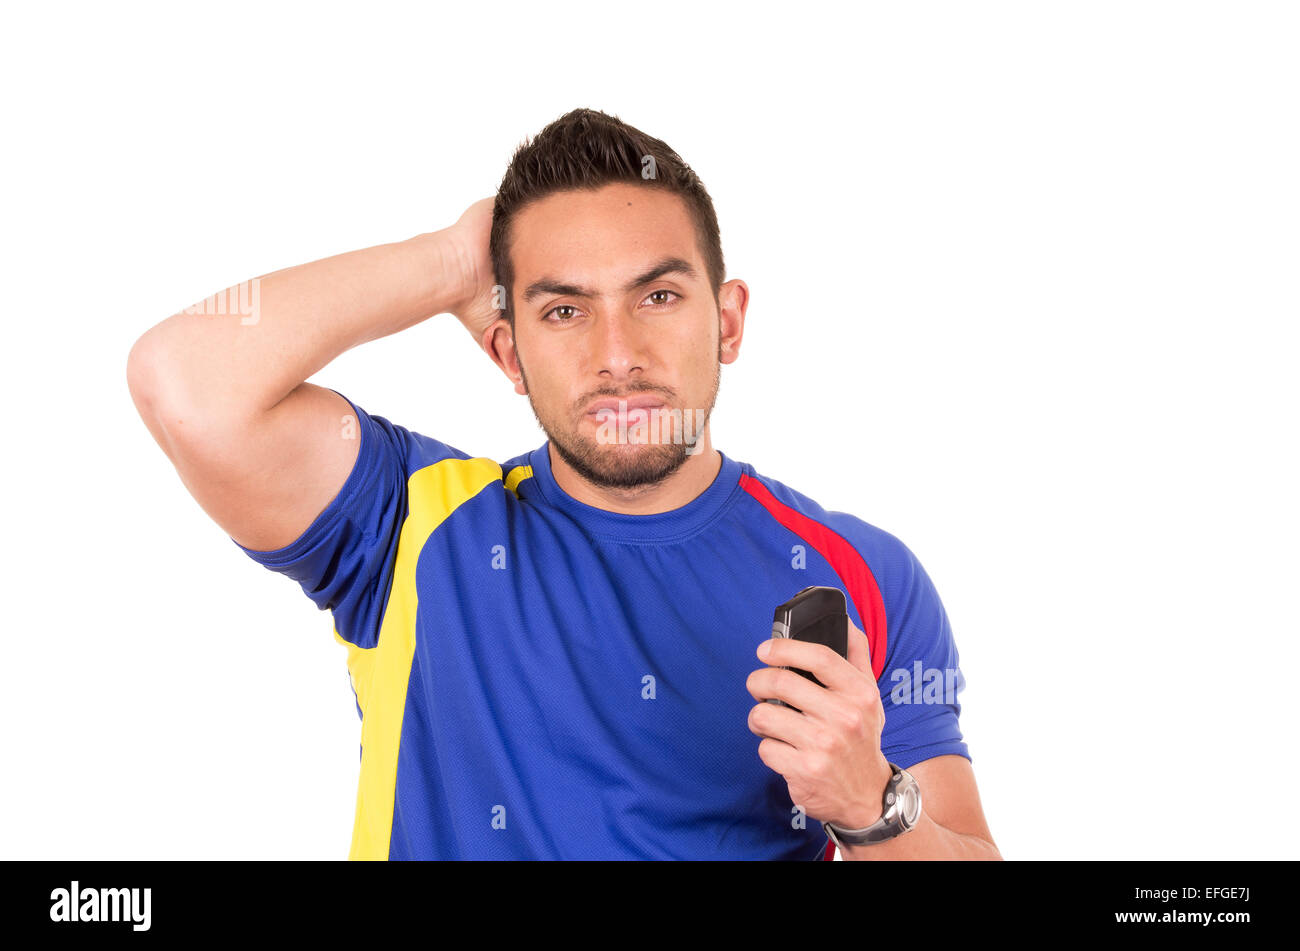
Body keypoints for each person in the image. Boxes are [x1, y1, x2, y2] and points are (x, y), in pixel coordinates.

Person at [126, 107, 1000, 861]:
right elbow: (182, 379)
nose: (616, 356)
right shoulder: (414, 521)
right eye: (563, 309)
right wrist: (448, 265)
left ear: (727, 321)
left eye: (657, 297)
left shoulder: (865, 573)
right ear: (508, 351)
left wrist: (872, 803)